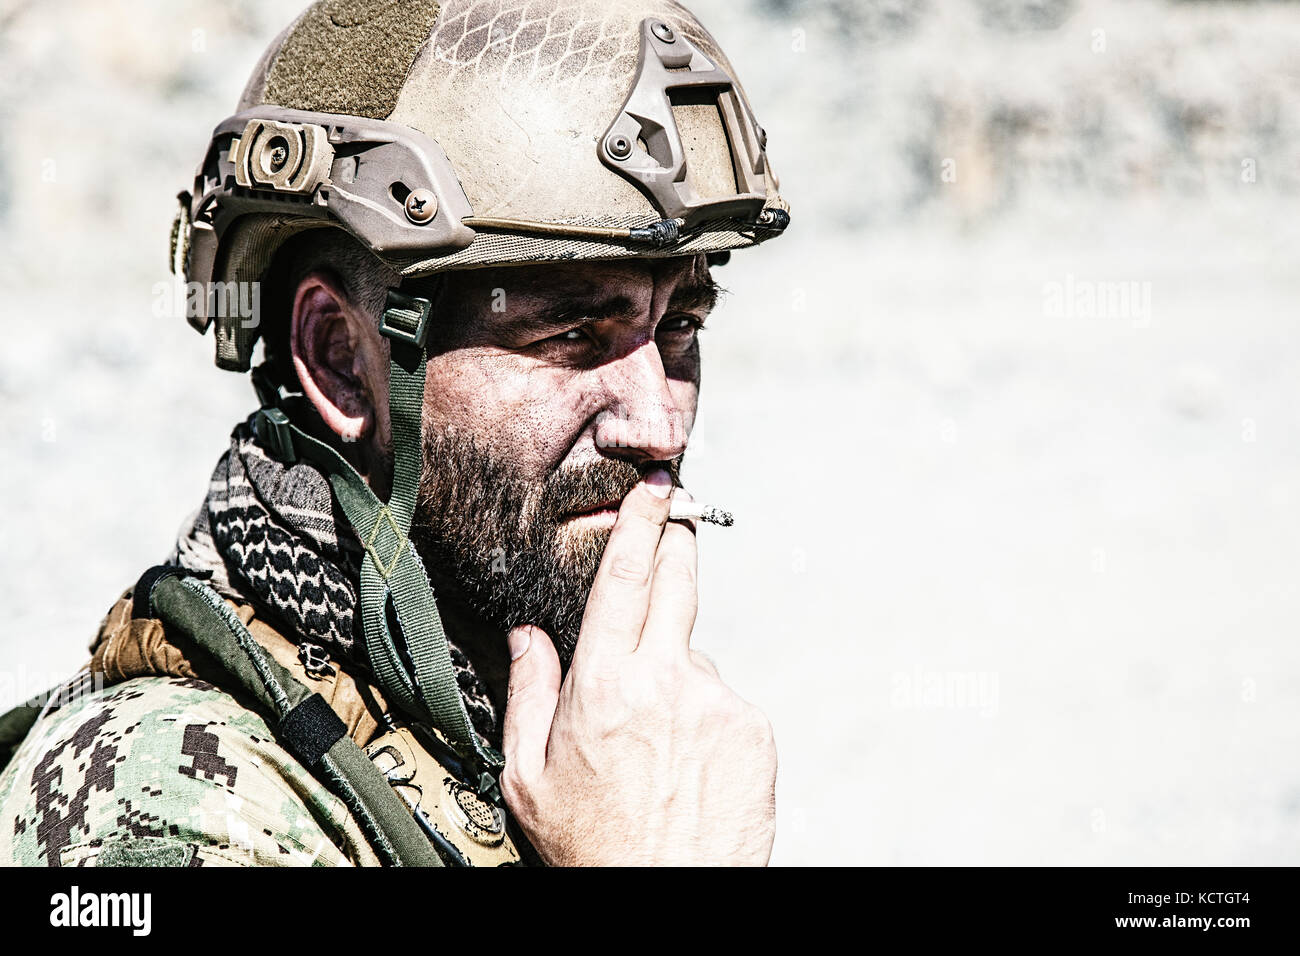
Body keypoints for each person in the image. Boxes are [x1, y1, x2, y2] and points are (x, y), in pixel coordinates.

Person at [0, 0, 789, 867]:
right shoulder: (171, 805)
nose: (660, 423)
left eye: (680, 328)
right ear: (341, 358)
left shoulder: (580, 730)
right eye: (571, 337)